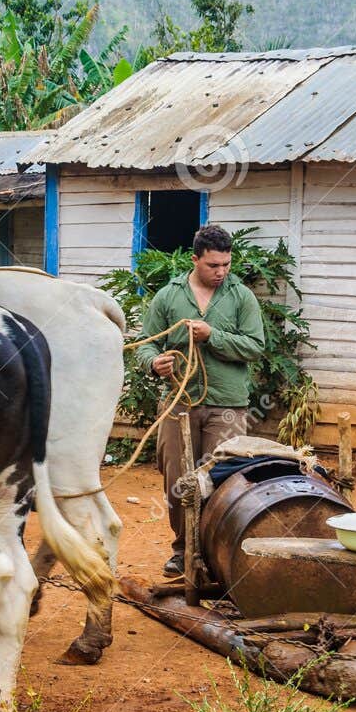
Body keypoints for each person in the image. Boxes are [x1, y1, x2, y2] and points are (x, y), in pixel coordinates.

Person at [134, 224, 265, 578]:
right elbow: (146, 342)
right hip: (178, 403)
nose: (221, 272)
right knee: (179, 482)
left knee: (222, 484)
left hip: (228, 406)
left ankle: (214, 556)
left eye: (226, 264)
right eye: (213, 265)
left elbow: (255, 346)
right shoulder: (168, 295)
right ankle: (183, 549)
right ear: (195, 260)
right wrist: (152, 362)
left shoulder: (242, 297)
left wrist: (213, 336)